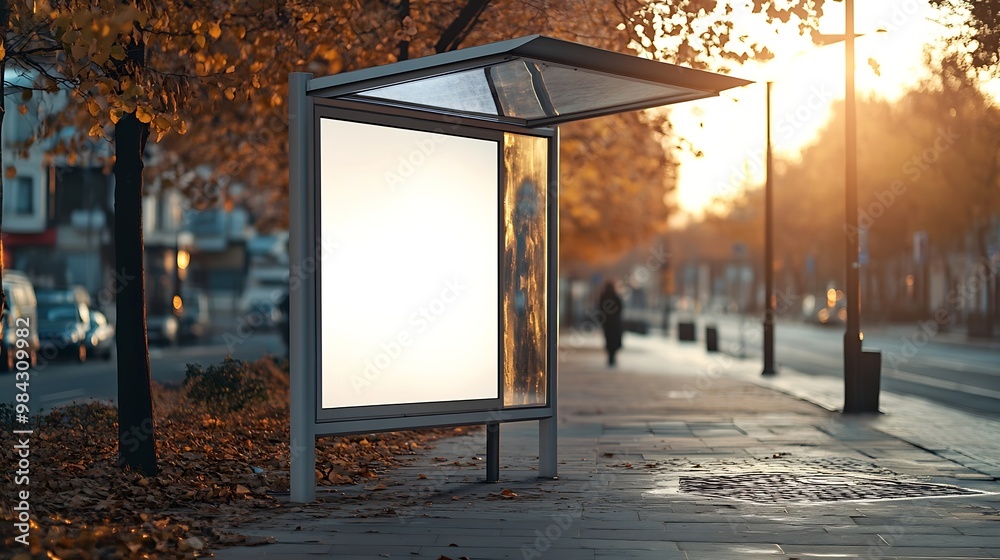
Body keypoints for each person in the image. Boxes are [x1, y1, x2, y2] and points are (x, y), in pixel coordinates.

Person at [598, 282, 623, 367]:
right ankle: (612, 356)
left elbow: (600, 309)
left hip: (607, 323)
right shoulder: (616, 297)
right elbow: (620, 309)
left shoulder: (603, 297)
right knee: (614, 340)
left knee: (608, 339)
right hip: (615, 323)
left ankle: (610, 357)